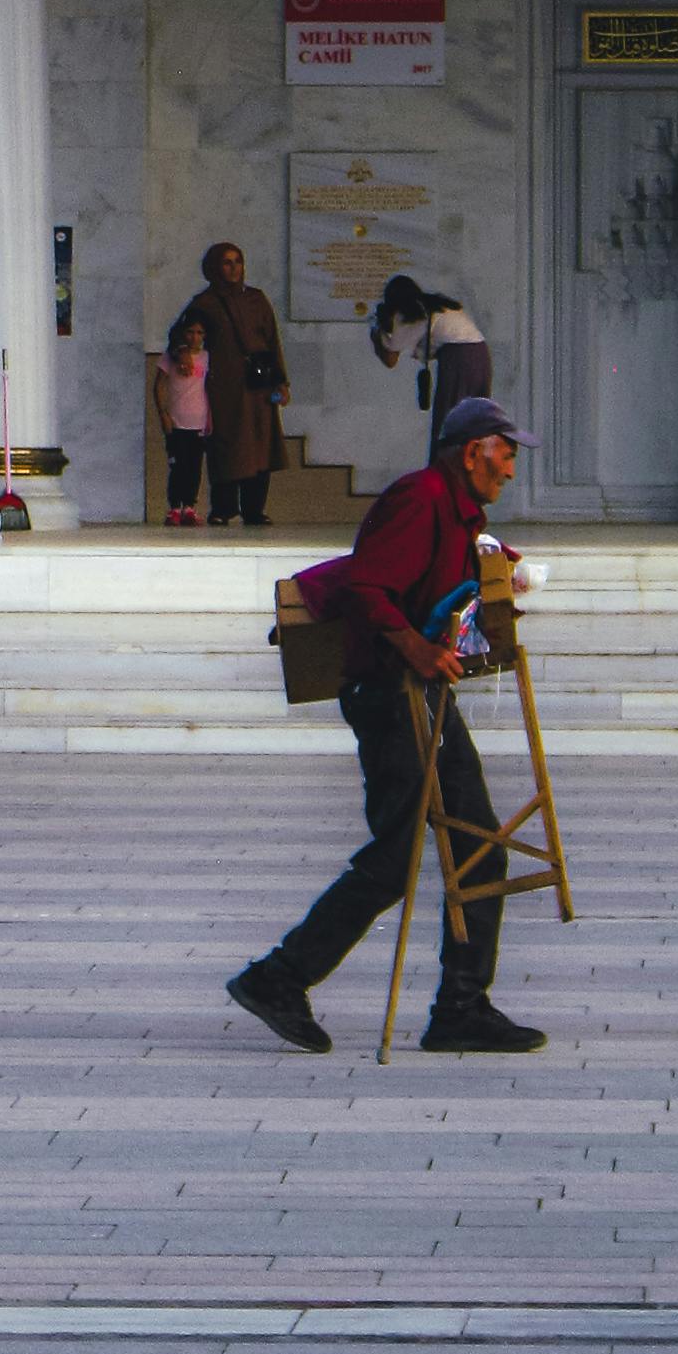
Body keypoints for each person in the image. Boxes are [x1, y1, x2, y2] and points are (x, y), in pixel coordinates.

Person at [225, 395, 549, 1056]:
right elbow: (369, 586)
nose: (511, 468)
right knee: (396, 855)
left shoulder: (458, 509)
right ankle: (278, 977)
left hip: (422, 695)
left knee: (480, 846)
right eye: (506, 453)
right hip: (388, 692)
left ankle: (461, 1006)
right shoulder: (420, 497)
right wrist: (417, 647)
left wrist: (503, 576)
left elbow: (471, 558)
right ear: (472, 452)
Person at [175, 242, 289, 526]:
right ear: (215, 267)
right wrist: (183, 352)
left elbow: (272, 341)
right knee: (227, 445)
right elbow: (180, 334)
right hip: (225, 387)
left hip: (258, 385)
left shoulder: (256, 299)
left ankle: (254, 509)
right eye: (227, 262)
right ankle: (224, 508)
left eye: (238, 261)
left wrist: (281, 381)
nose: (234, 268)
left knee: (260, 446)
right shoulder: (205, 303)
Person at [369, 274, 493, 457]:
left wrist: (376, 332)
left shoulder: (412, 314)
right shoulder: (436, 305)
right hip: (480, 355)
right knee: (473, 421)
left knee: (450, 419)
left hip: (458, 359)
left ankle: (444, 470)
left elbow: (390, 358)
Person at [151, 318, 212, 526]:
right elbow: (159, 385)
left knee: (194, 467)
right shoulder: (171, 357)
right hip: (177, 421)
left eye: (199, 332)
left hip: (199, 420)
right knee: (178, 464)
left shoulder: (206, 358)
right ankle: (175, 506)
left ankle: (189, 506)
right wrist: (163, 414)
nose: (195, 337)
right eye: (191, 332)